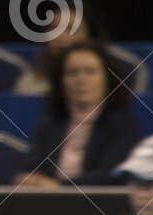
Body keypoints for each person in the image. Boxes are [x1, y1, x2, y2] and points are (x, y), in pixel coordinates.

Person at [14, 42, 139, 187]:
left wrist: (58, 187)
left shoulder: (122, 125)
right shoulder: (49, 124)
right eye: (73, 72)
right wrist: (28, 179)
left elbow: (111, 176)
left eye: (90, 71)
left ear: (107, 79)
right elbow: (31, 167)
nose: (81, 80)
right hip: (46, 203)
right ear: (61, 81)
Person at [10, 0, 103, 95]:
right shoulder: (29, 84)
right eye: (54, 28)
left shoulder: (107, 83)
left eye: (70, 29)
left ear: (89, 37)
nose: (60, 37)